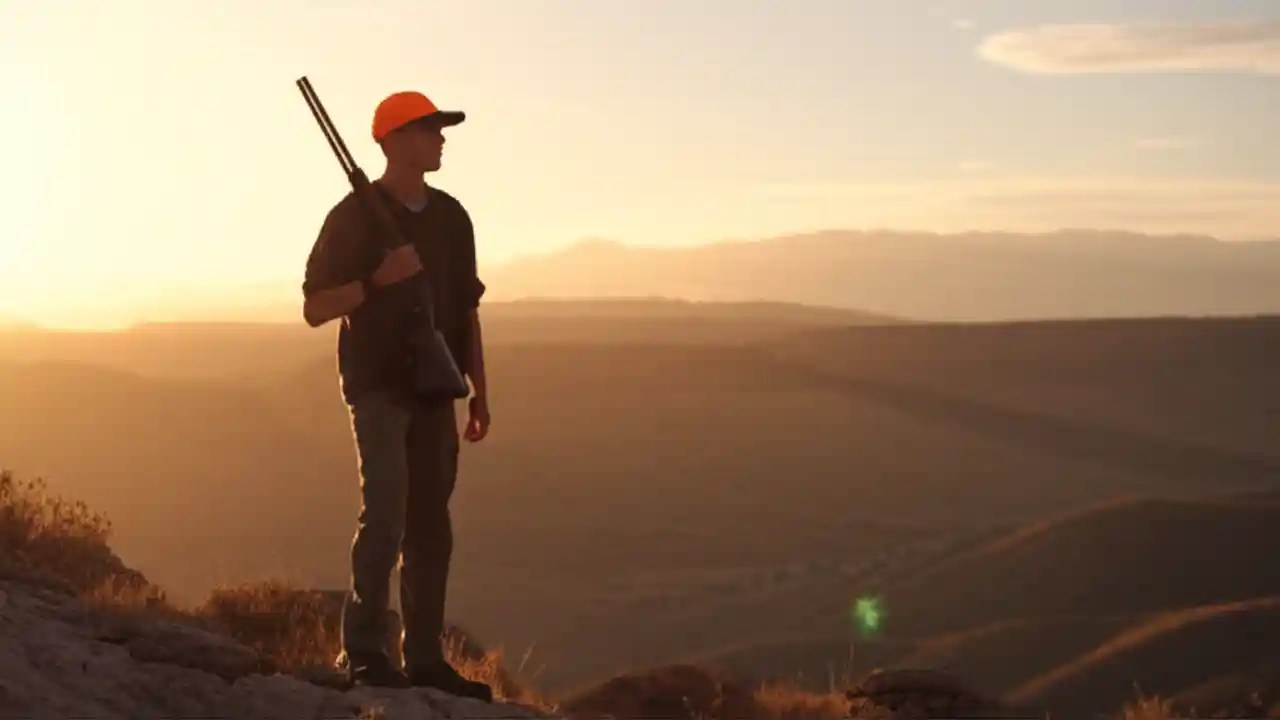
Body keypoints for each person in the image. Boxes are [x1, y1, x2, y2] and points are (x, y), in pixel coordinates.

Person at [300, 89, 493, 699]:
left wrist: (479, 391)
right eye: (430, 130)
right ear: (396, 140)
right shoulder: (353, 216)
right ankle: (362, 652)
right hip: (378, 383)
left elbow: (465, 311)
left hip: (437, 387)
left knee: (431, 526)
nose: (440, 140)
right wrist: (375, 281)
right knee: (385, 513)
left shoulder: (452, 217)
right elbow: (314, 307)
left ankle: (425, 659)